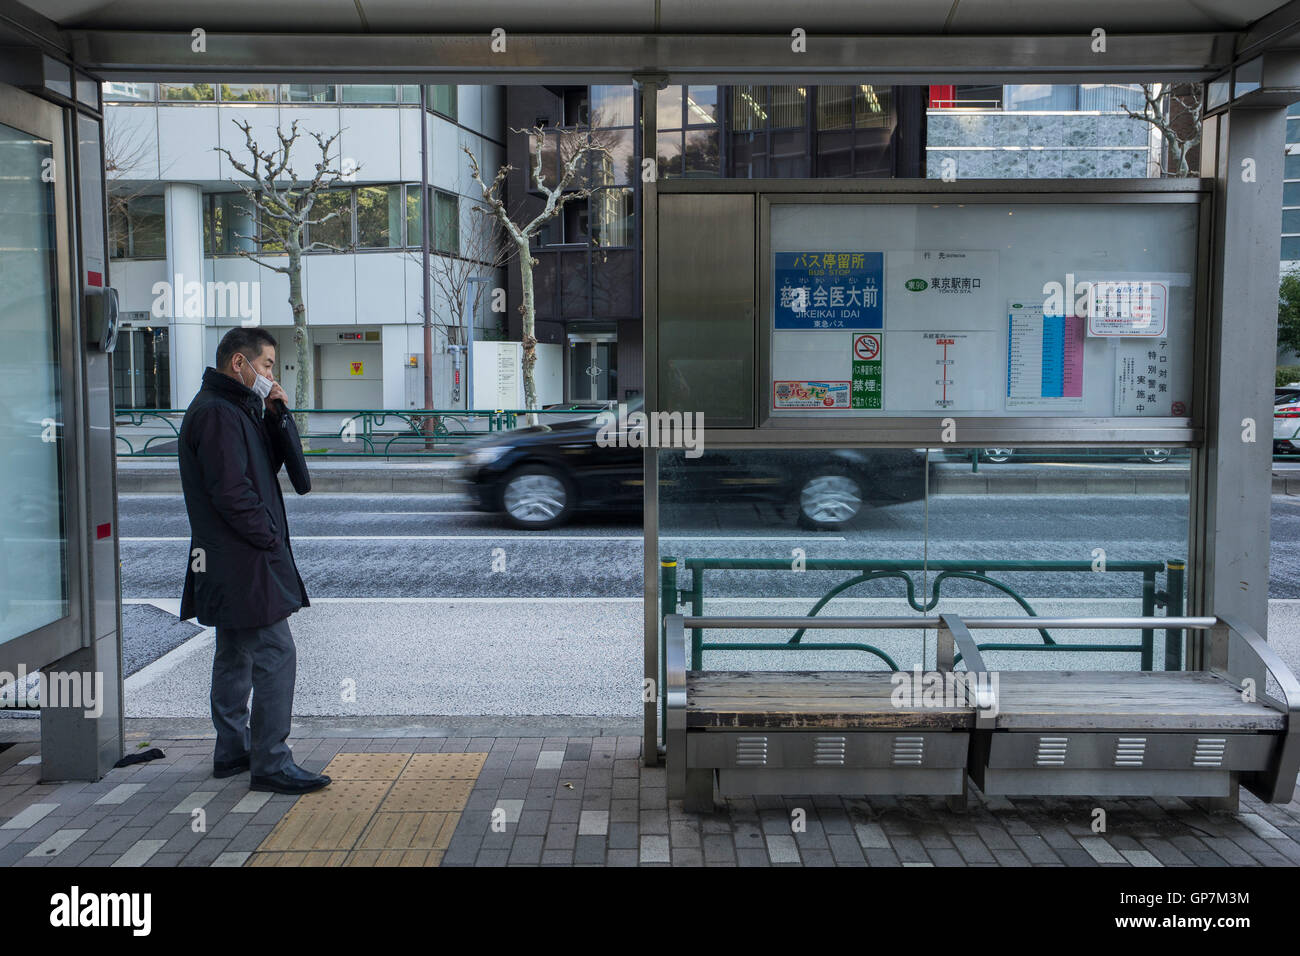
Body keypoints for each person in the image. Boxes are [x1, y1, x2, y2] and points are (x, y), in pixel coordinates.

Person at [177, 327, 330, 795]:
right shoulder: (218, 415)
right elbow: (231, 492)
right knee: (276, 654)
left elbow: (281, 471)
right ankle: (271, 762)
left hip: (228, 560)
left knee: (234, 654)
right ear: (238, 364)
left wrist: (275, 412)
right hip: (242, 560)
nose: (270, 374)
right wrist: (267, 538)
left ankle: (233, 751)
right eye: (265, 365)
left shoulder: (230, 409)